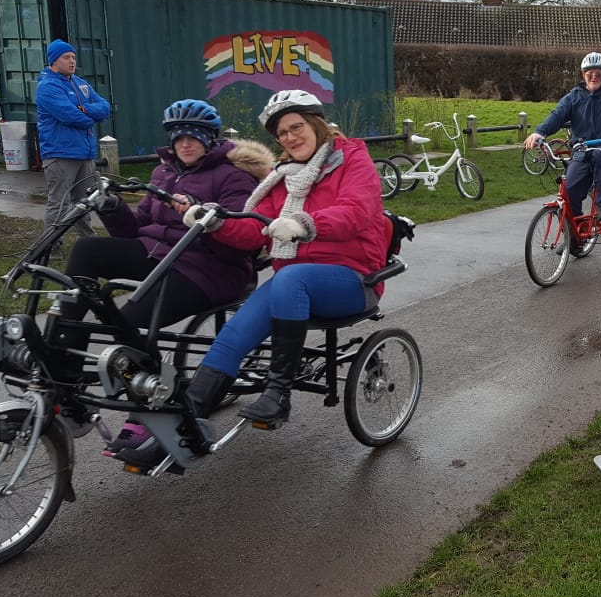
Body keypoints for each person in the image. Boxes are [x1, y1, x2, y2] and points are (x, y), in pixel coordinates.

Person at [104, 89, 389, 468]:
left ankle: (278, 392)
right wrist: (217, 222)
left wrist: (306, 223)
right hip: (294, 284)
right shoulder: (280, 177)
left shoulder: (352, 159)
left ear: (317, 125)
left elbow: (357, 210)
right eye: (281, 133)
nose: (290, 137)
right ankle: (176, 434)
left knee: (291, 279)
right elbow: (254, 231)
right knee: (233, 335)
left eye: (296, 126)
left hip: (353, 278)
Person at [55, 99, 275, 457]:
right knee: (88, 251)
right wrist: (114, 211)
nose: (185, 143)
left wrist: (200, 215)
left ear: (210, 139)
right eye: (178, 137)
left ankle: (155, 406)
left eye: (194, 137)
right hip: (157, 255)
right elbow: (137, 229)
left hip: (210, 268)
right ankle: (65, 372)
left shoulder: (233, 176)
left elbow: (247, 236)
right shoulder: (164, 173)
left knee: (131, 324)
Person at [524, 50, 601, 225]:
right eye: (590, 73)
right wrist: (540, 132)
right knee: (569, 191)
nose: (594, 77)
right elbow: (557, 114)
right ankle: (576, 237)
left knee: (600, 153)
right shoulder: (574, 96)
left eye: (599, 73)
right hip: (582, 153)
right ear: (584, 75)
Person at [35, 39, 112, 247]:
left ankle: (89, 243)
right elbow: (70, 116)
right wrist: (89, 117)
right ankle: (50, 247)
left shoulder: (81, 83)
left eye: (73, 57)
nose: (72, 61)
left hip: (84, 153)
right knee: (58, 203)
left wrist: (85, 110)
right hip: (60, 154)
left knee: (84, 202)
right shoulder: (47, 86)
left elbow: (104, 107)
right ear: (53, 61)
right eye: (66, 57)